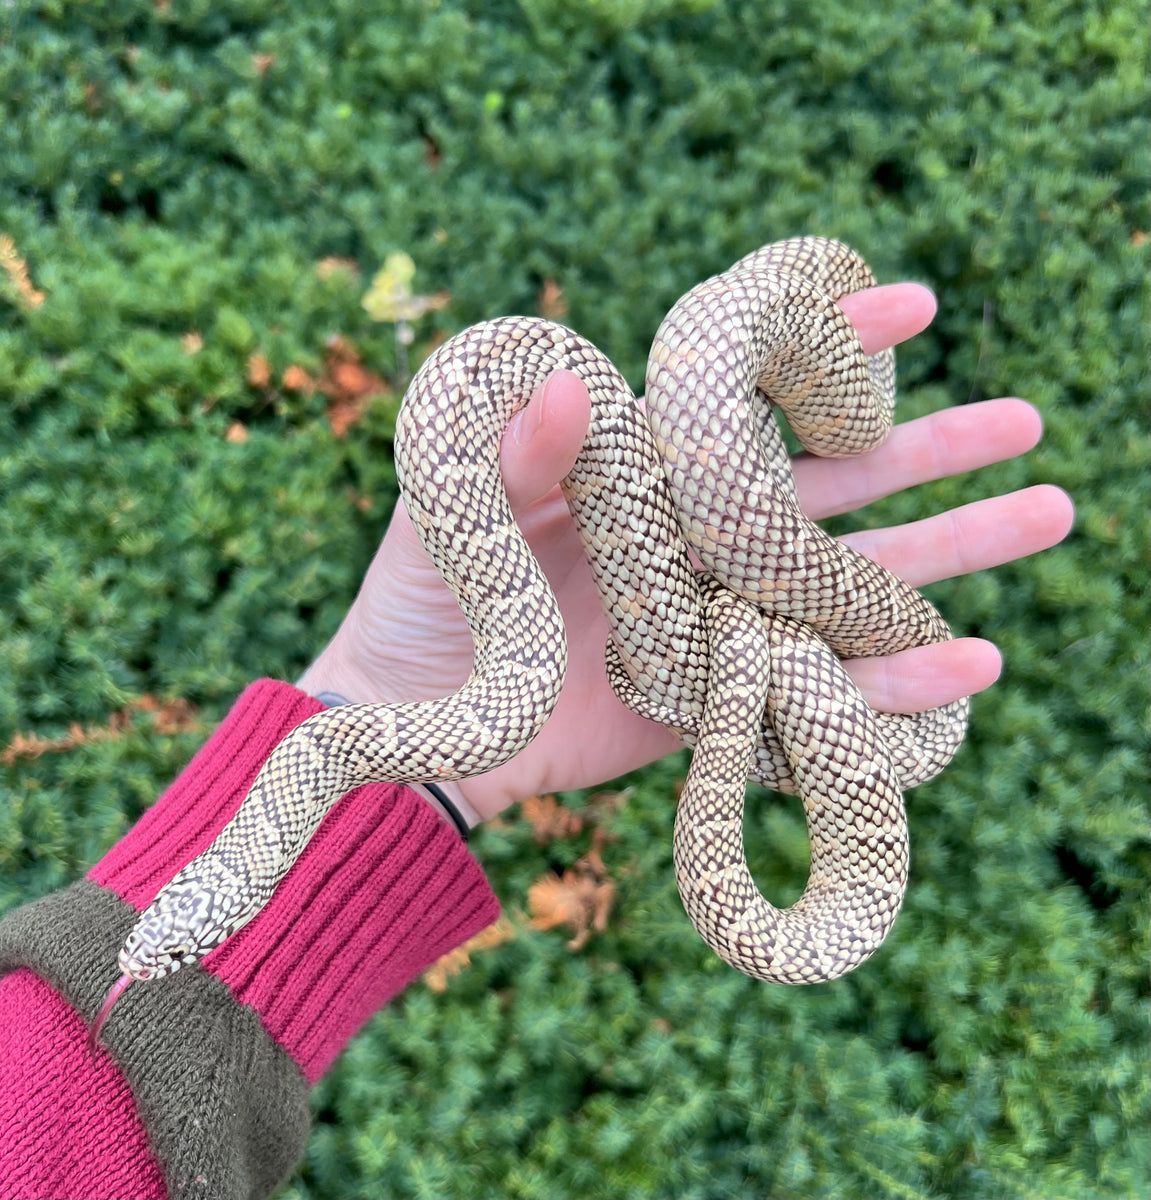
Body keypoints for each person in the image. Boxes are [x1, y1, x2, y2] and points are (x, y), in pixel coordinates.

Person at [0, 283, 1074, 1200]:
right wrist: (728, 662)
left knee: (855, 628)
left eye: (178, 943)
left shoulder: (365, 739)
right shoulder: (440, 723)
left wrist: (382, 689)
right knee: (806, 650)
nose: (156, 965)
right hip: (651, 645)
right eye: (179, 949)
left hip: (639, 563)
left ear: (232, 895)